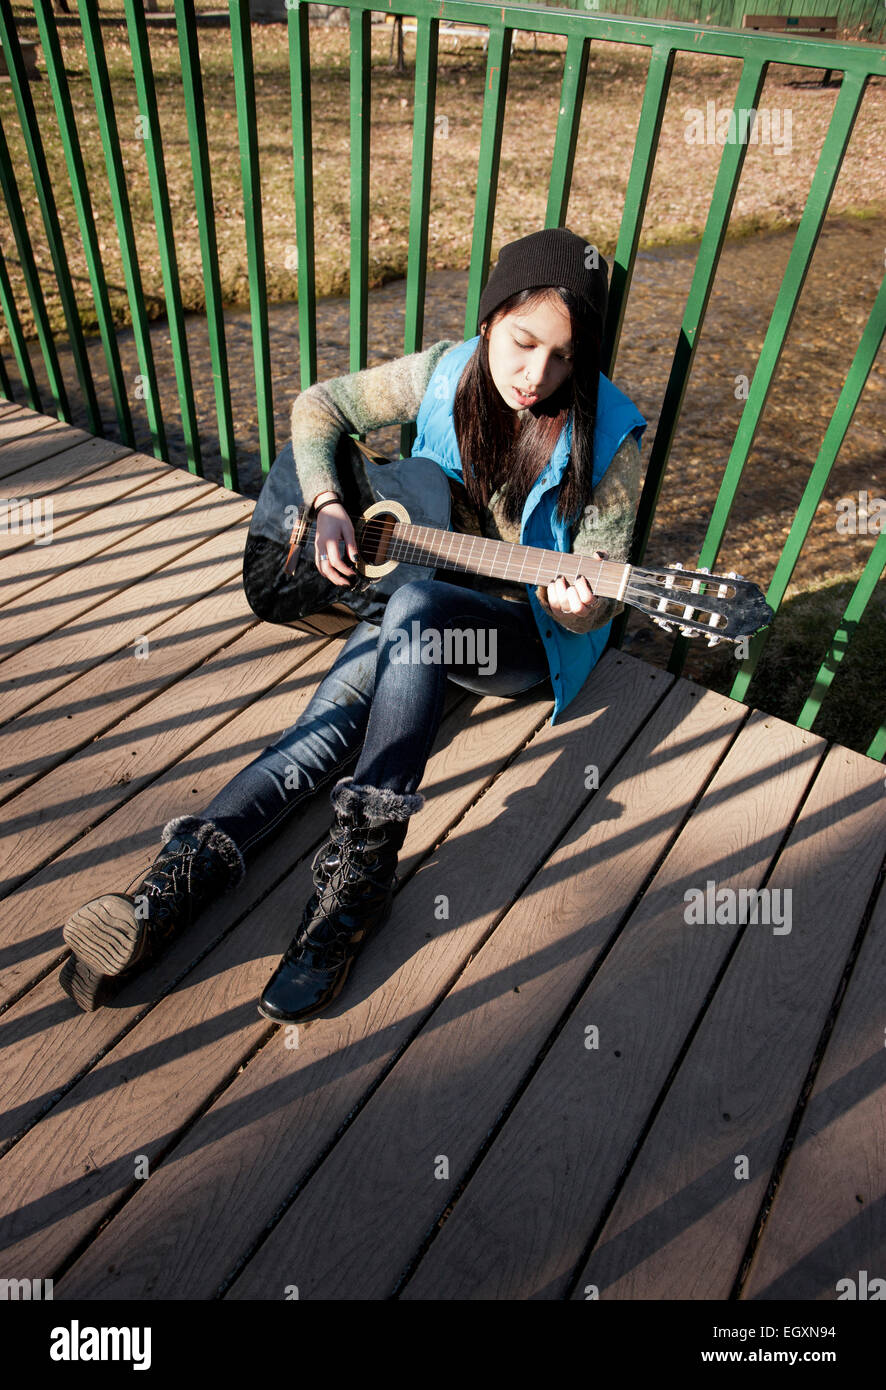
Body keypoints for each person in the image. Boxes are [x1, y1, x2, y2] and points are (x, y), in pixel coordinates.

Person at [58, 227, 647, 1024]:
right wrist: (329, 503)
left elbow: (604, 587)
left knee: (417, 609)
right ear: (489, 319)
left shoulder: (606, 440)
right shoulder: (442, 371)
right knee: (322, 728)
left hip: (522, 632)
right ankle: (174, 884)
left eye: (563, 358)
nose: (535, 375)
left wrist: (580, 604)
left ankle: (361, 874)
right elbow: (319, 405)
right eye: (521, 342)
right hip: (421, 589)